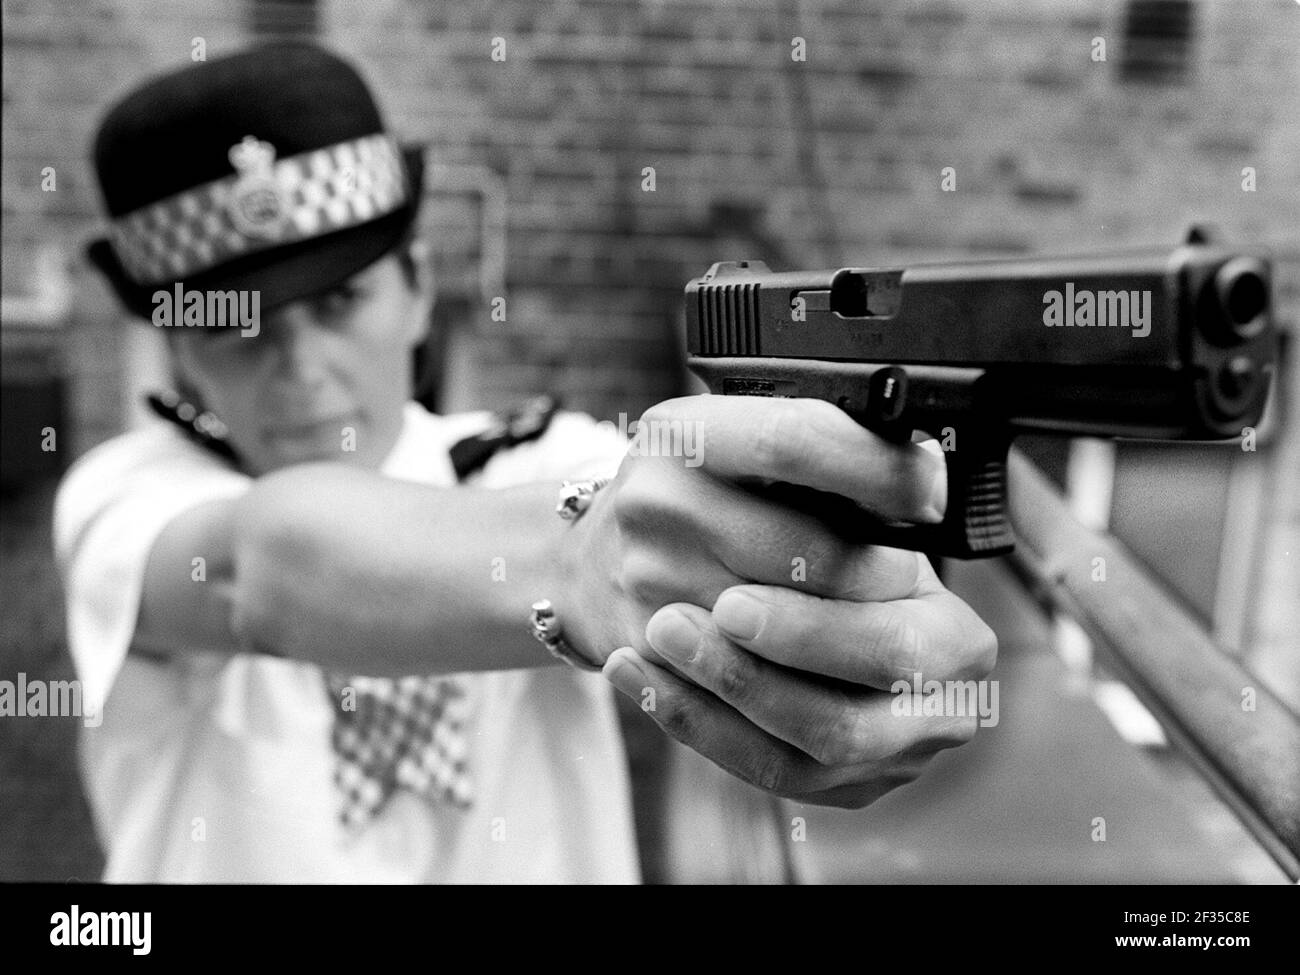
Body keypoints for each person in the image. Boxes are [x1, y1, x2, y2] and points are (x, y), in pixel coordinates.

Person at [54, 41, 997, 882]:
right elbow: (258, 568)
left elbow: (675, 502)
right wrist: (574, 564)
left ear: (420, 293)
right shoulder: (121, 499)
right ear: (177, 350)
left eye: (339, 302)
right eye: (239, 326)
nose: (299, 367)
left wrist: (837, 584)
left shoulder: (551, 460)